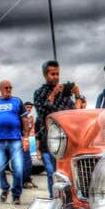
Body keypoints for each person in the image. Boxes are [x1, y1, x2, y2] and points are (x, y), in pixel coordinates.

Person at [32, 60, 84, 197]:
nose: (55, 77)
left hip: (68, 140)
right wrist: (53, 95)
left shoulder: (64, 93)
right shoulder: (39, 93)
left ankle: (69, 200)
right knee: (52, 173)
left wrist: (77, 95)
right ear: (45, 75)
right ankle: (54, 199)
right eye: (52, 74)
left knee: (68, 174)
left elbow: (74, 113)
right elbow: (44, 115)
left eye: (57, 74)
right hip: (50, 141)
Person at [0, 80, 29, 204]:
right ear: (0, 89)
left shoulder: (17, 101)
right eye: (6, 88)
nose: (9, 90)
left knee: (18, 168)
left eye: (10, 87)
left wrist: (25, 138)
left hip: (15, 140)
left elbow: (25, 120)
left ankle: (16, 195)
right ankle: (5, 188)